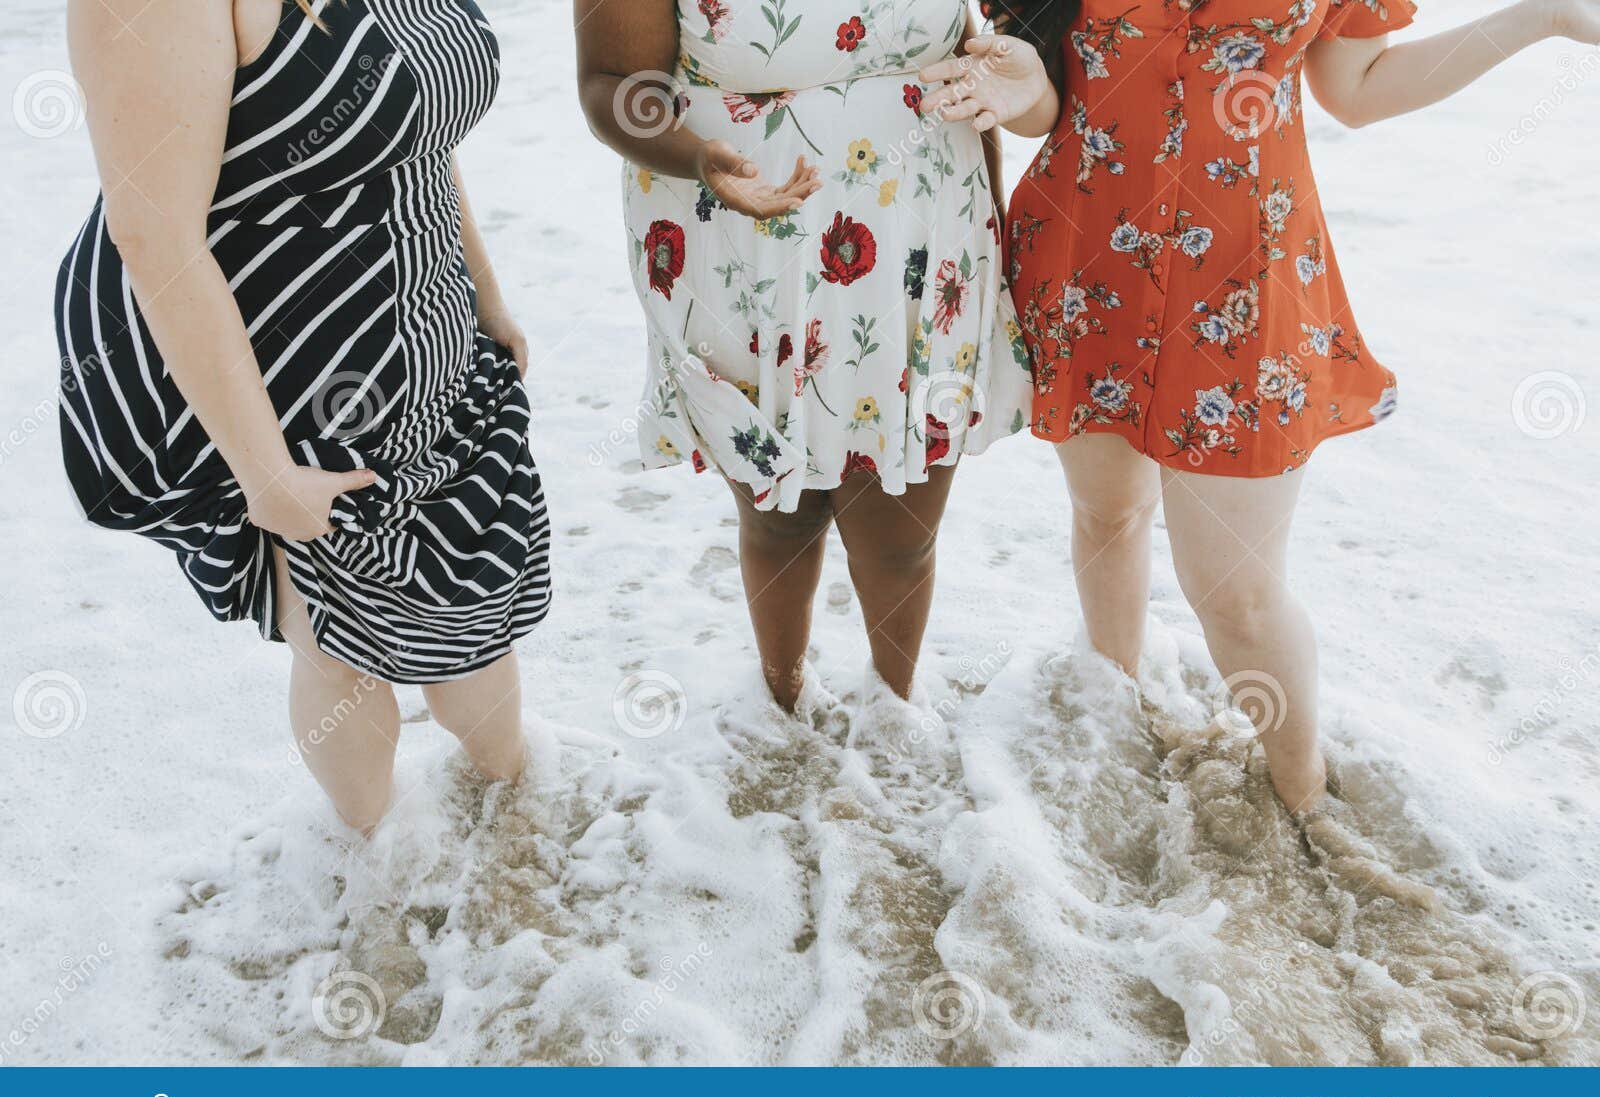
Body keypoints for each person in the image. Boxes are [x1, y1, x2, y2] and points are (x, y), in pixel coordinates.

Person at [919, 0, 1600, 812]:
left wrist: (1544, 21)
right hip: (1089, 257)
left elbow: (1362, 86)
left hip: (1246, 282)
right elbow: (1047, 96)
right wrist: (1012, 94)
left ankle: (1305, 805)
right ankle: (1113, 726)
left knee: (1237, 596)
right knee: (1108, 514)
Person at [56, 0, 552, 833]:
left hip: (436, 330)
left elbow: (414, 115)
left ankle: (519, 820)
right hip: (294, 377)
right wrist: (264, 472)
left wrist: (484, 292)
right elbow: (153, 235)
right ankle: (376, 863)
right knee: (337, 642)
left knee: (474, 599)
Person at [575, 0, 1035, 723]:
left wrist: (999, 222)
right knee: (778, 516)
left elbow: (976, 48)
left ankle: (896, 723)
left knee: (902, 535)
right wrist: (698, 157)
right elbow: (611, 82)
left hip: (925, 234)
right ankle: (782, 708)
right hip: (736, 241)